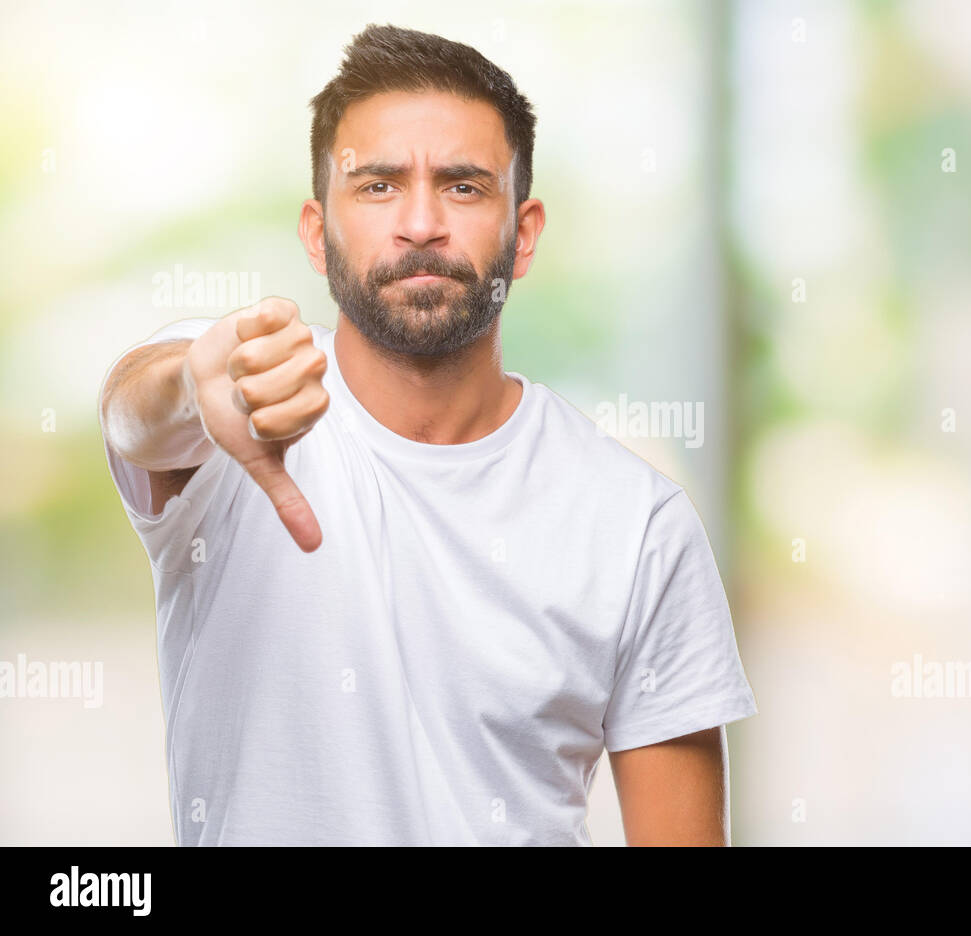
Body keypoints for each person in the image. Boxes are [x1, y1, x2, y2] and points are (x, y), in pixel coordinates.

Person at [97, 23, 757, 846]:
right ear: (315, 230)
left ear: (525, 233)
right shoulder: (235, 417)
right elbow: (137, 413)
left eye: (464, 186)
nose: (419, 223)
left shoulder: (637, 524)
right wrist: (196, 387)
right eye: (376, 186)